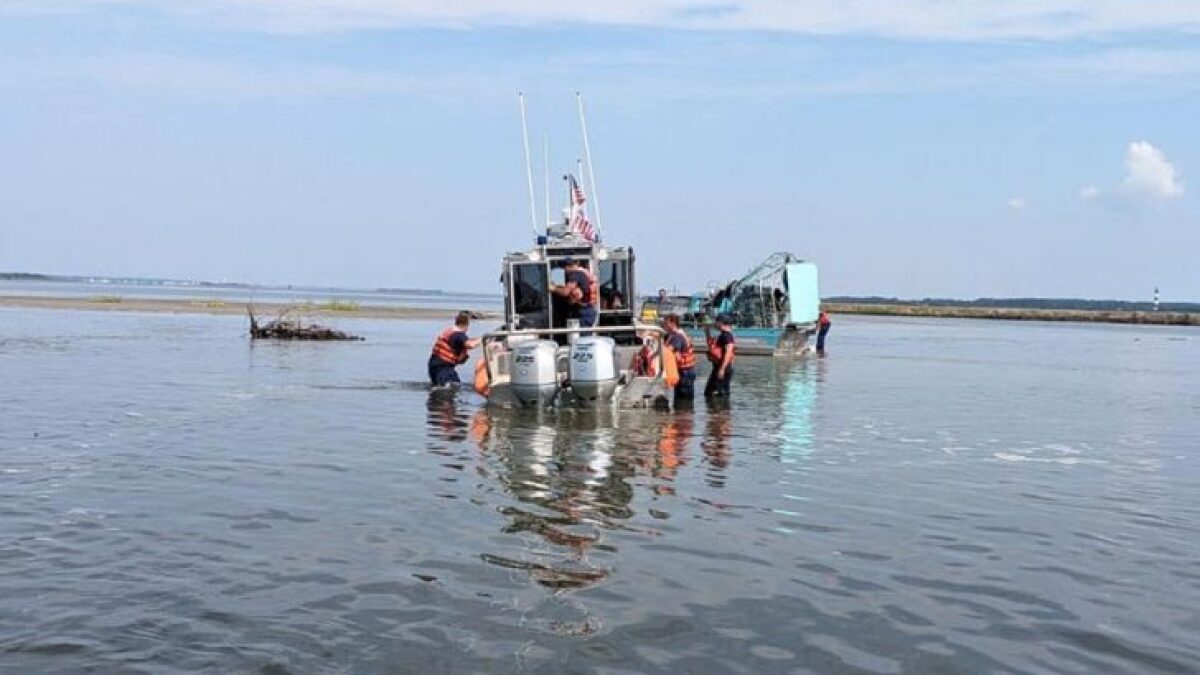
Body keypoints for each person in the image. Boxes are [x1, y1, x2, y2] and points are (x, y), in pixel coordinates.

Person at [428, 311, 480, 386]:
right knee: (452, 386)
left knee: (447, 385)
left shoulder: (451, 331)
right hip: (443, 367)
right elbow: (470, 345)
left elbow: (465, 341)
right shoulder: (458, 334)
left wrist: (478, 339)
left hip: (435, 365)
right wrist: (483, 339)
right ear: (466, 325)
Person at [551, 259, 598, 327]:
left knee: (581, 336)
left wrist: (553, 289)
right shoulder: (583, 273)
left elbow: (565, 292)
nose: (564, 271)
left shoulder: (575, 274)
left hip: (583, 312)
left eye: (563, 268)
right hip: (587, 310)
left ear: (567, 267)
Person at [662, 313, 697, 405]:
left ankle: (683, 418)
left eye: (665, 323)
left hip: (685, 373)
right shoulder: (671, 335)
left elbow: (668, 351)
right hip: (684, 372)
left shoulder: (677, 337)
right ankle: (681, 418)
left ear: (673, 323)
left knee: (683, 402)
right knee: (680, 401)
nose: (663, 325)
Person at [704, 314, 736, 398]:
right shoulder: (723, 335)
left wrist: (722, 369)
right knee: (710, 393)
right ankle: (717, 410)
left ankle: (721, 410)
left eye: (716, 322)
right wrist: (707, 331)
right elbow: (712, 346)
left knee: (717, 394)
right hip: (718, 367)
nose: (715, 324)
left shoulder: (727, 336)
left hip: (722, 368)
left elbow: (728, 352)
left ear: (721, 323)